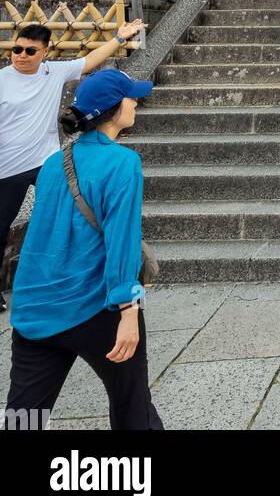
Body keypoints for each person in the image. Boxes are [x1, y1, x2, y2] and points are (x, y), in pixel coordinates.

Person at [4, 67, 163, 431]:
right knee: (132, 407)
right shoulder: (123, 163)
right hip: (95, 306)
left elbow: (44, 233)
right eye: (131, 96)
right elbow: (122, 240)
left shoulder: (51, 165)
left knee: (22, 419)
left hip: (34, 307)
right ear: (114, 108)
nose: (136, 101)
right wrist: (128, 311)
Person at [0, 17, 145, 314]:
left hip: (47, 163)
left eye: (29, 51)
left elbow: (89, 60)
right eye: (16, 49)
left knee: (68, 216)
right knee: (1, 228)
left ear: (45, 52)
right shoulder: (2, 79)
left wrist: (119, 38)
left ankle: (69, 278)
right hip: (7, 167)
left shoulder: (54, 72)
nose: (21, 56)